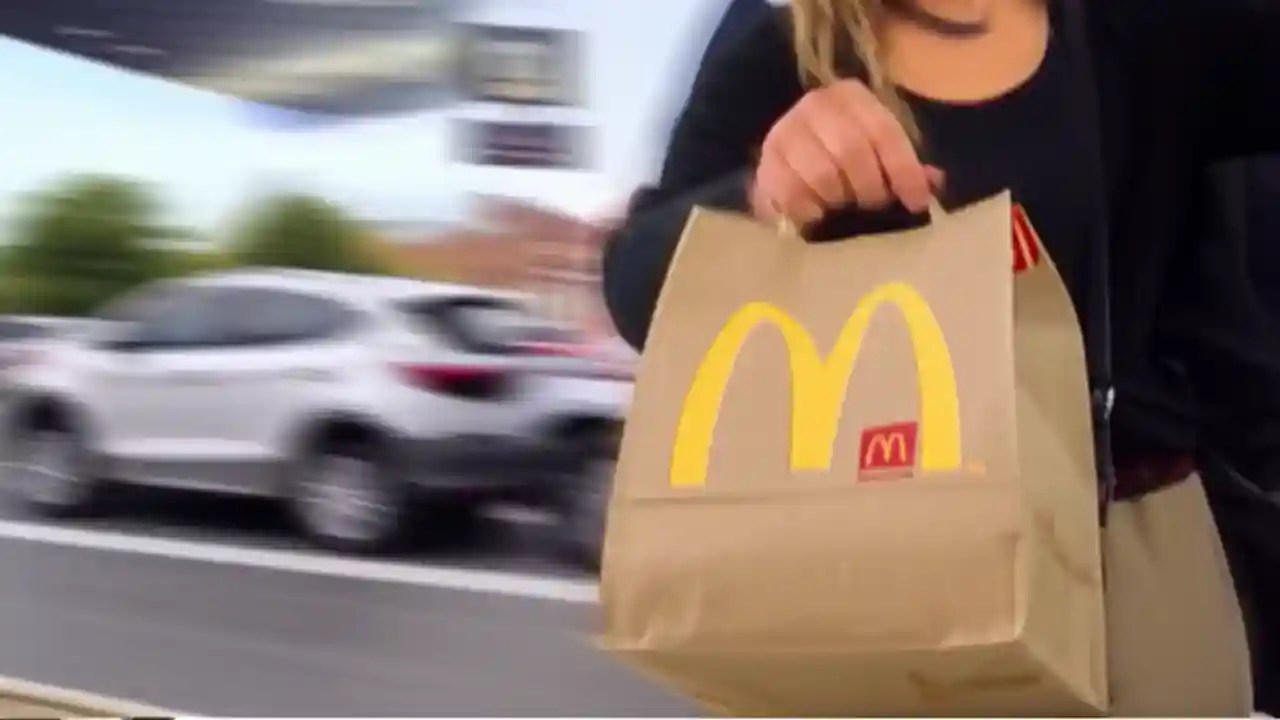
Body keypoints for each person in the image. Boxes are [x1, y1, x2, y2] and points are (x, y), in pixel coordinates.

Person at [601, 0, 1280, 715]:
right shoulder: (784, 27)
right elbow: (637, 288)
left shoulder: (1136, 27)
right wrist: (764, 195)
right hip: (846, 573)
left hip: (1127, 561)